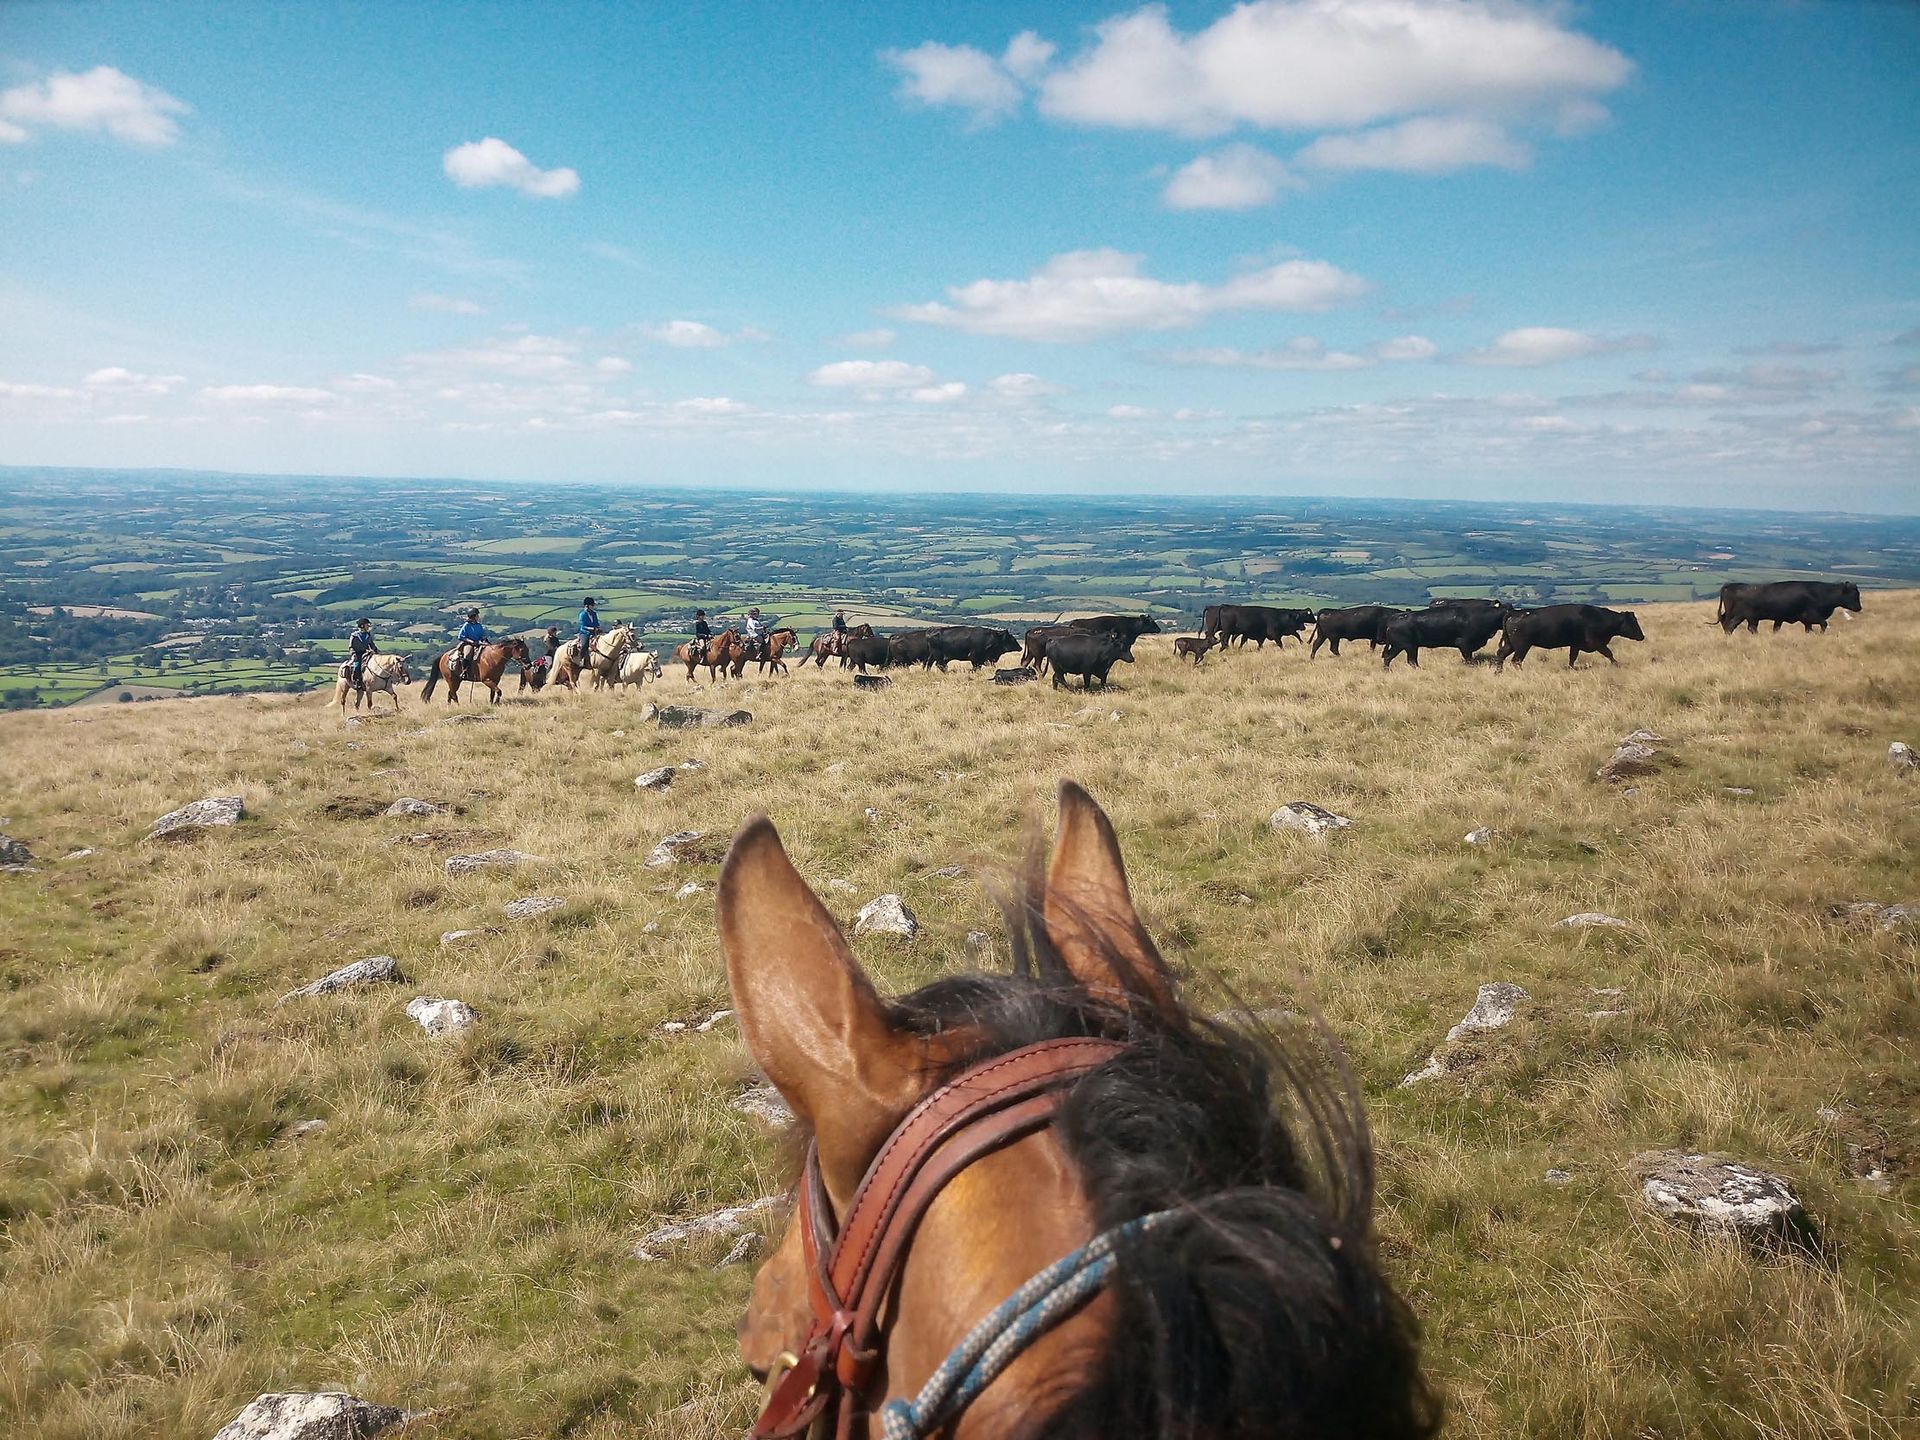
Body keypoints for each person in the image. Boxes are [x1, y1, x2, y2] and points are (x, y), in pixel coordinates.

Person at [455, 608, 488, 680]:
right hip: (469, 644)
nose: (478, 617)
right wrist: (471, 641)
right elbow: (461, 636)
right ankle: (464, 671)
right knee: (467, 654)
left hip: (479, 643)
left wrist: (484, 640)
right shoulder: (466, 625)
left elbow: (482, 635)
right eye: (477, 615)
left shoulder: (479, 625)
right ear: (473, 616)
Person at [347, 618, 378, 694]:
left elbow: (372, 645)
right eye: (367, 625)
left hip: (366, 653)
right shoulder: (354, 635)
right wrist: (353, 654)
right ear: (362, 626)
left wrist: (376, 652)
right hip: (357, 654)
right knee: (357, 666)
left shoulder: (368, 635)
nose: (368, 626)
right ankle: (357, 681)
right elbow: (351, 647)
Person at [576, 597, 604, 672]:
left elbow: (596, 623)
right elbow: (583, 626)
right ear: (587, 606)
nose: (593, 606)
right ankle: (581, 659)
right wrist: (592, 629)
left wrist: (598, 627)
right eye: (592, 605)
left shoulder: (594, 613)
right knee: (584, 644)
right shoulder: (582, 614)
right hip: (585, 633)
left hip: (595, 632)